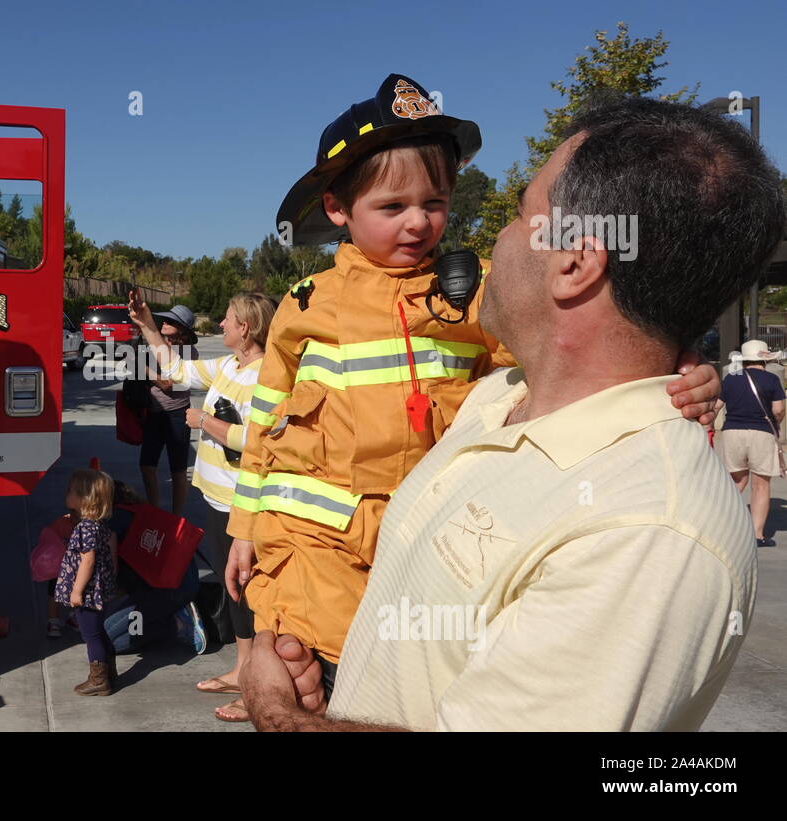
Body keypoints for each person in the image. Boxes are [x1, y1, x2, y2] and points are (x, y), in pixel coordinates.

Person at [241, 95, 785, 731]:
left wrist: (275, 709)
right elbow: (272, 425)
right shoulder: (500, 397)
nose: (487, 237)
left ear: (576, 262)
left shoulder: (648, 536)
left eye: (522, 213)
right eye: (392, 206)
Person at [129, 290, 276, 722]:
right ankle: (241, 668)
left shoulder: (267, 375)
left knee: (249, 591)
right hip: (216, 497)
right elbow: (173, 369)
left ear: (245, 328)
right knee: (234, 591)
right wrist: (146, 327)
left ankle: (259, 687)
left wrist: (204, 422)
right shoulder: (229, 365)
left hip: (242, 502)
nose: (222, 326)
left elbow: (258, 442)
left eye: (228, 320)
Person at [55, 468, 119, 696]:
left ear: (84, 499)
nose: (66, 493)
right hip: (99, 589)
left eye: (71, 491)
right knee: (99, 632)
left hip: (89, 592)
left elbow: (88, 561)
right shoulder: (100, 525)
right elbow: (112, 551)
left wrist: (76, 591)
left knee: (90, 635)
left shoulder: (85, 528)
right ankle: (109, 673)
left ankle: (98, 680)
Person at [716, 339, 786, 546]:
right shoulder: (771, 380)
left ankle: (721, 528)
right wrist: (776, 424)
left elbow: (717, 405)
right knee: (760, 485)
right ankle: (757, 535)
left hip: (732, 433)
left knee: (736, 482)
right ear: (763, 359)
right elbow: (778, 410)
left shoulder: (731, 378)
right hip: (761, 433)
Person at [137, 304, 200, 518]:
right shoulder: (159, 347)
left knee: (178, 470)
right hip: (155, 413)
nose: (164, 323)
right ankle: (154, 513)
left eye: (170, 321)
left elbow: (168, 385)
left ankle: (176, 518)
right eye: (164, 320)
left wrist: (140, 367)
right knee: (146, 466)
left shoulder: (189, 352)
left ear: (182, 329)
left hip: (177, 416)